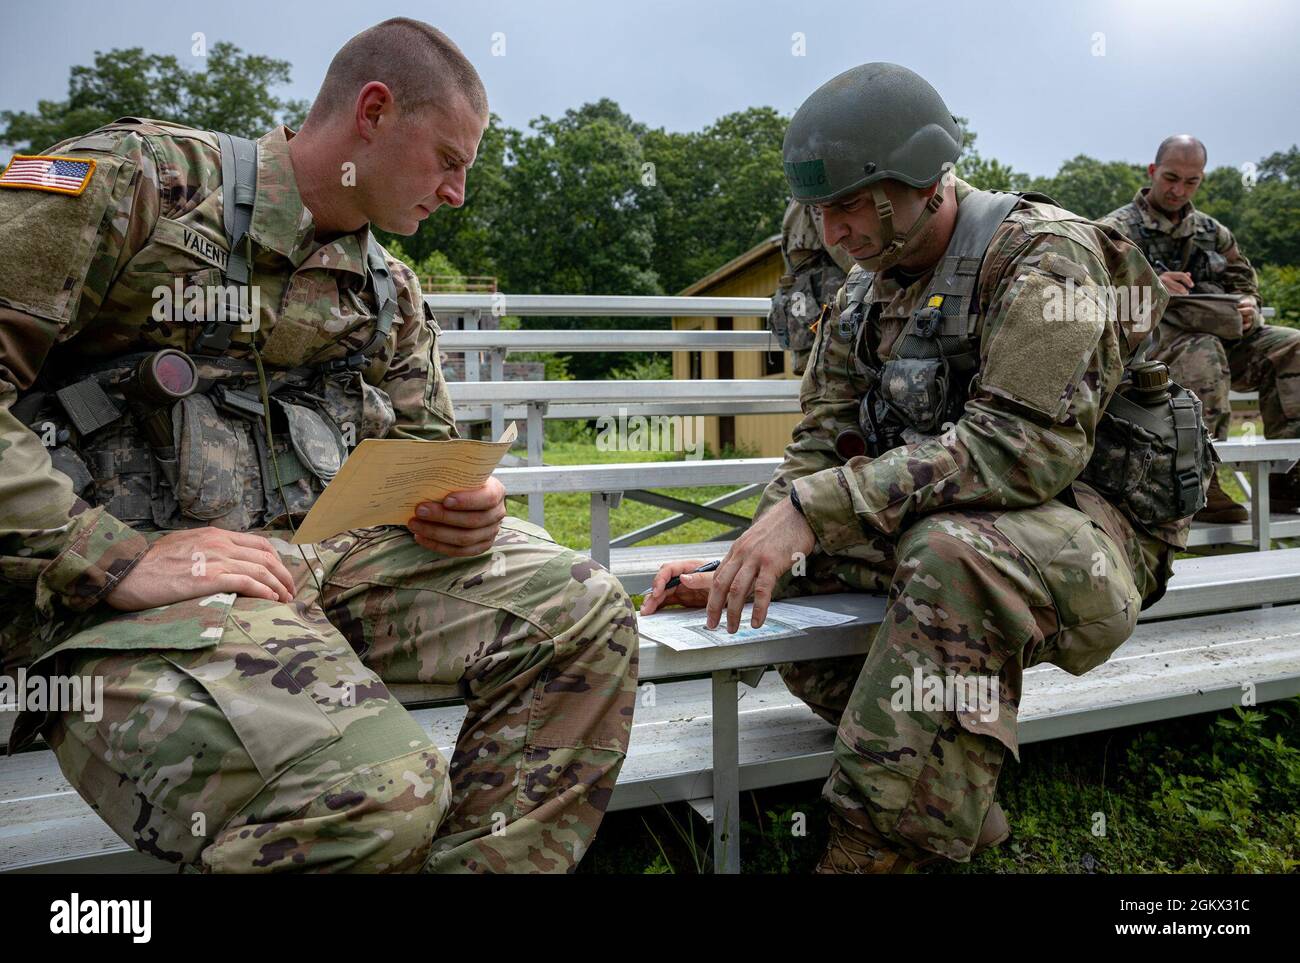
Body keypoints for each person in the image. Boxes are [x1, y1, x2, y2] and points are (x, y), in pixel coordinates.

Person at [0, 17, 636, 874]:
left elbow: (422, 443)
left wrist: (457, 507)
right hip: (120, 595)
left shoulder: (385, 287)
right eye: (449, 161)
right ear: (373, 112)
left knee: (585, 608)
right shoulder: (144, 185)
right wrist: (109, 555)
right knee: (374, 799)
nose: (457, 194)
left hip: (312, 564)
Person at [642, 63, 1210, 873]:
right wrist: (742, 556)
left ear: (919, 183)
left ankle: (878, 848)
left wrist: (817, 509)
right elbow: (822, 442)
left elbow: (1021, 450)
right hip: (958, 515)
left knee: (951, 557)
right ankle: (942, 785)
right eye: (819, 211)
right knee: (798, 568)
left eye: (846, 206)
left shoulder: (1047, 259)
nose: (831, 234)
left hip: (1095, 532)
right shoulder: (863, 293)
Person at [1099, 135, 1300, 520]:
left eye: (1191, 182)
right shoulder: (1114, 231)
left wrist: (1248, 306)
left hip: (1223, 340)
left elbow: (1245, 281)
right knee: (1202, 348)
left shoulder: (1212, 233)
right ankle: (1199, 477)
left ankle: (1288, 477)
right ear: (1153, 172)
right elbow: (1089, 294)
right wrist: (1152, 286)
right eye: (1171, 178)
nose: (1179, 191)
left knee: (1293, 345)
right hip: (1146, 351)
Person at [768, 199, 856, 375]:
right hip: (820, 298)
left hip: (805, 300)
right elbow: (840, 250)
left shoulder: (800, 198)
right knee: (833, 376)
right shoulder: (816, 198)